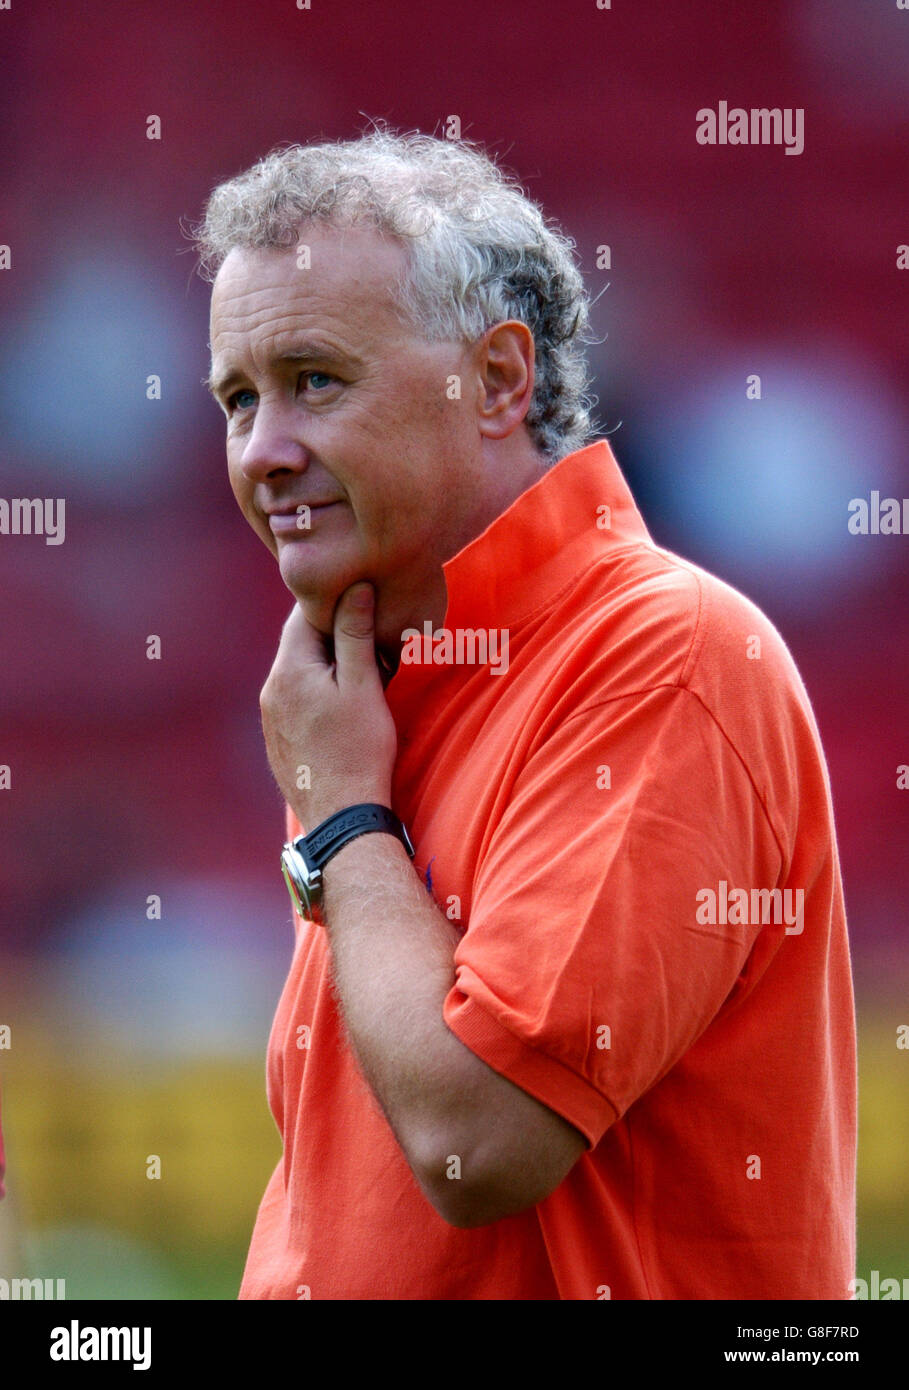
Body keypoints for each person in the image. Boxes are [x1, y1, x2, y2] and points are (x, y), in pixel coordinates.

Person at [193, 126, 856, 1300]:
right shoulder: (381, 693)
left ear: (498, 379)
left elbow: (474, 1140)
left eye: (315, 381)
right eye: (238, 400)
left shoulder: (665, 656)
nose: (264, 452)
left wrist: (341, 820)